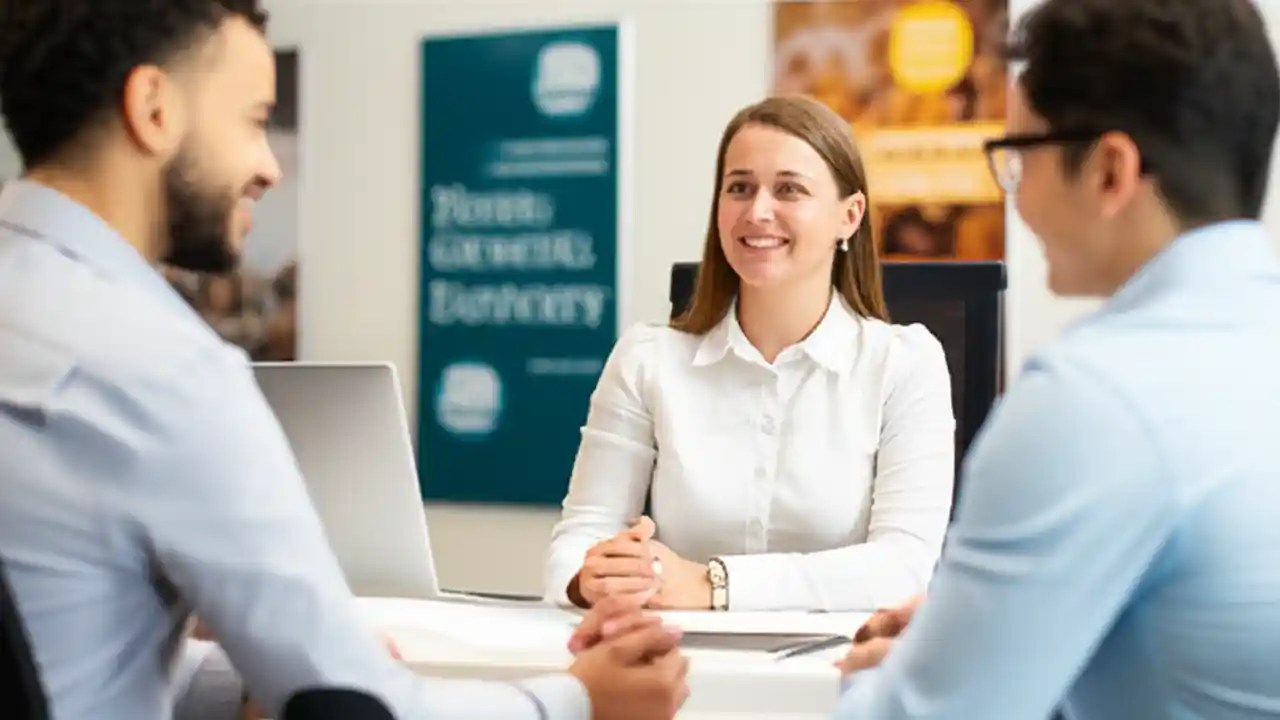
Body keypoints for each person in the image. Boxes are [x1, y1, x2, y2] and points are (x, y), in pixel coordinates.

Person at [0, 2, 687, 719]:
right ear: (152, 108)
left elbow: (70, 649)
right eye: (253, 118)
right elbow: (357, 710)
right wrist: (577, 702)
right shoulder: (164, 370)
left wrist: (241, 682)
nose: (268, 165)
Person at [832, 0, 1280, 717]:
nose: (1019, 196)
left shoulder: (1095, 398)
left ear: (1110, 171)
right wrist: (996, 633)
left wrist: (896, 676)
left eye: (1019, 157)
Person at [545, 96, 956, 613]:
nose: (757, 211)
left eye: (789, 189)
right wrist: (593, 578)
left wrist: (713, 585)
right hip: (671, 669)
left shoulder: (904, 364)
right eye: (739, 187)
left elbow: (903, 569)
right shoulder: (646, 359)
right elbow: (579, 540)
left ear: (849, 217)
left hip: (838, 675)